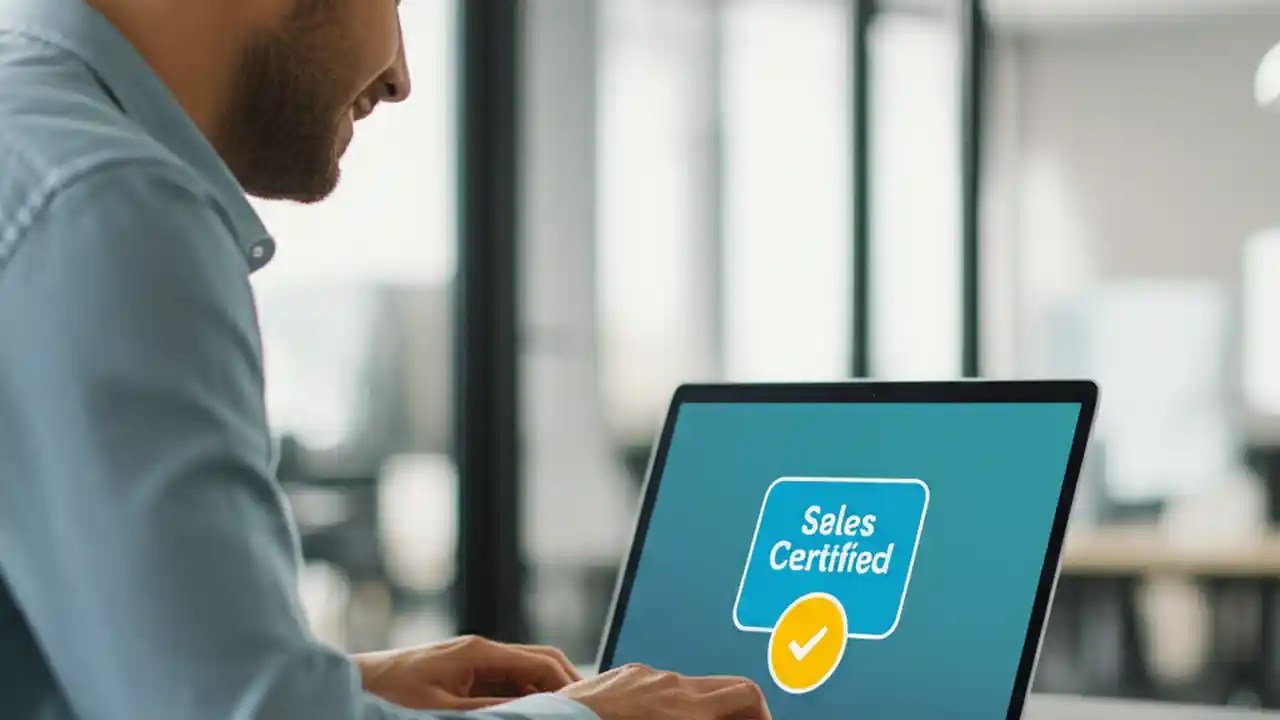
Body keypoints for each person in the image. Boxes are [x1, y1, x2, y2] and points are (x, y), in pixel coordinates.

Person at [0, 0, 772, 718]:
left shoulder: (31, 140)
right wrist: (585, 717)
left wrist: (345, 687)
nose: (401, 76)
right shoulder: (107, 202)